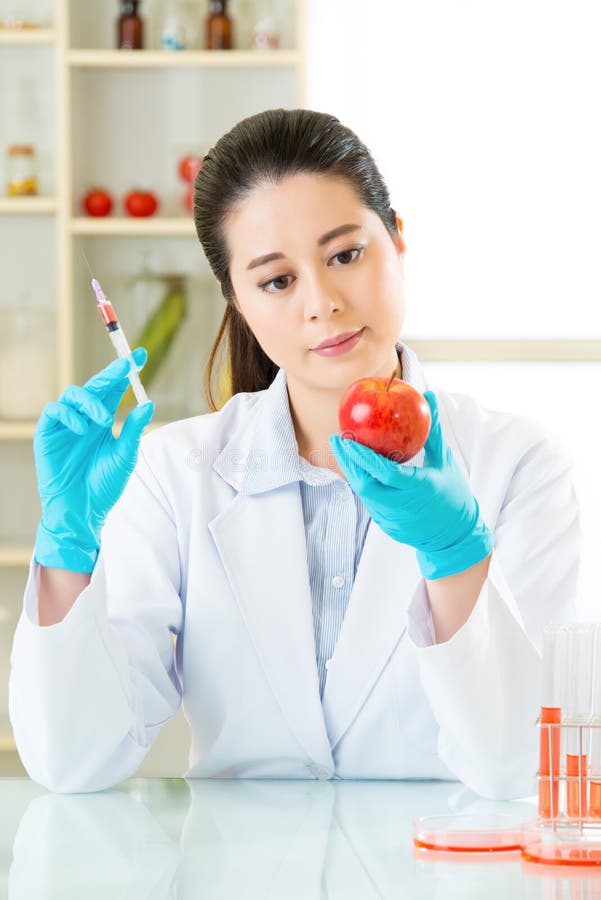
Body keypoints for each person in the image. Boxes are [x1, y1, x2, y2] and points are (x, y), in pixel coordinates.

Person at [9, 108, 580, 795]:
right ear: (238, 301)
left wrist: (455, 557)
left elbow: (520, 768)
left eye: (345, 254)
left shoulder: (517, 462)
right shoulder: (174, 472)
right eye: (277, 280)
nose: (323, 302)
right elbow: (75, 761)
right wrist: (67, 547)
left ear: (396, 240)